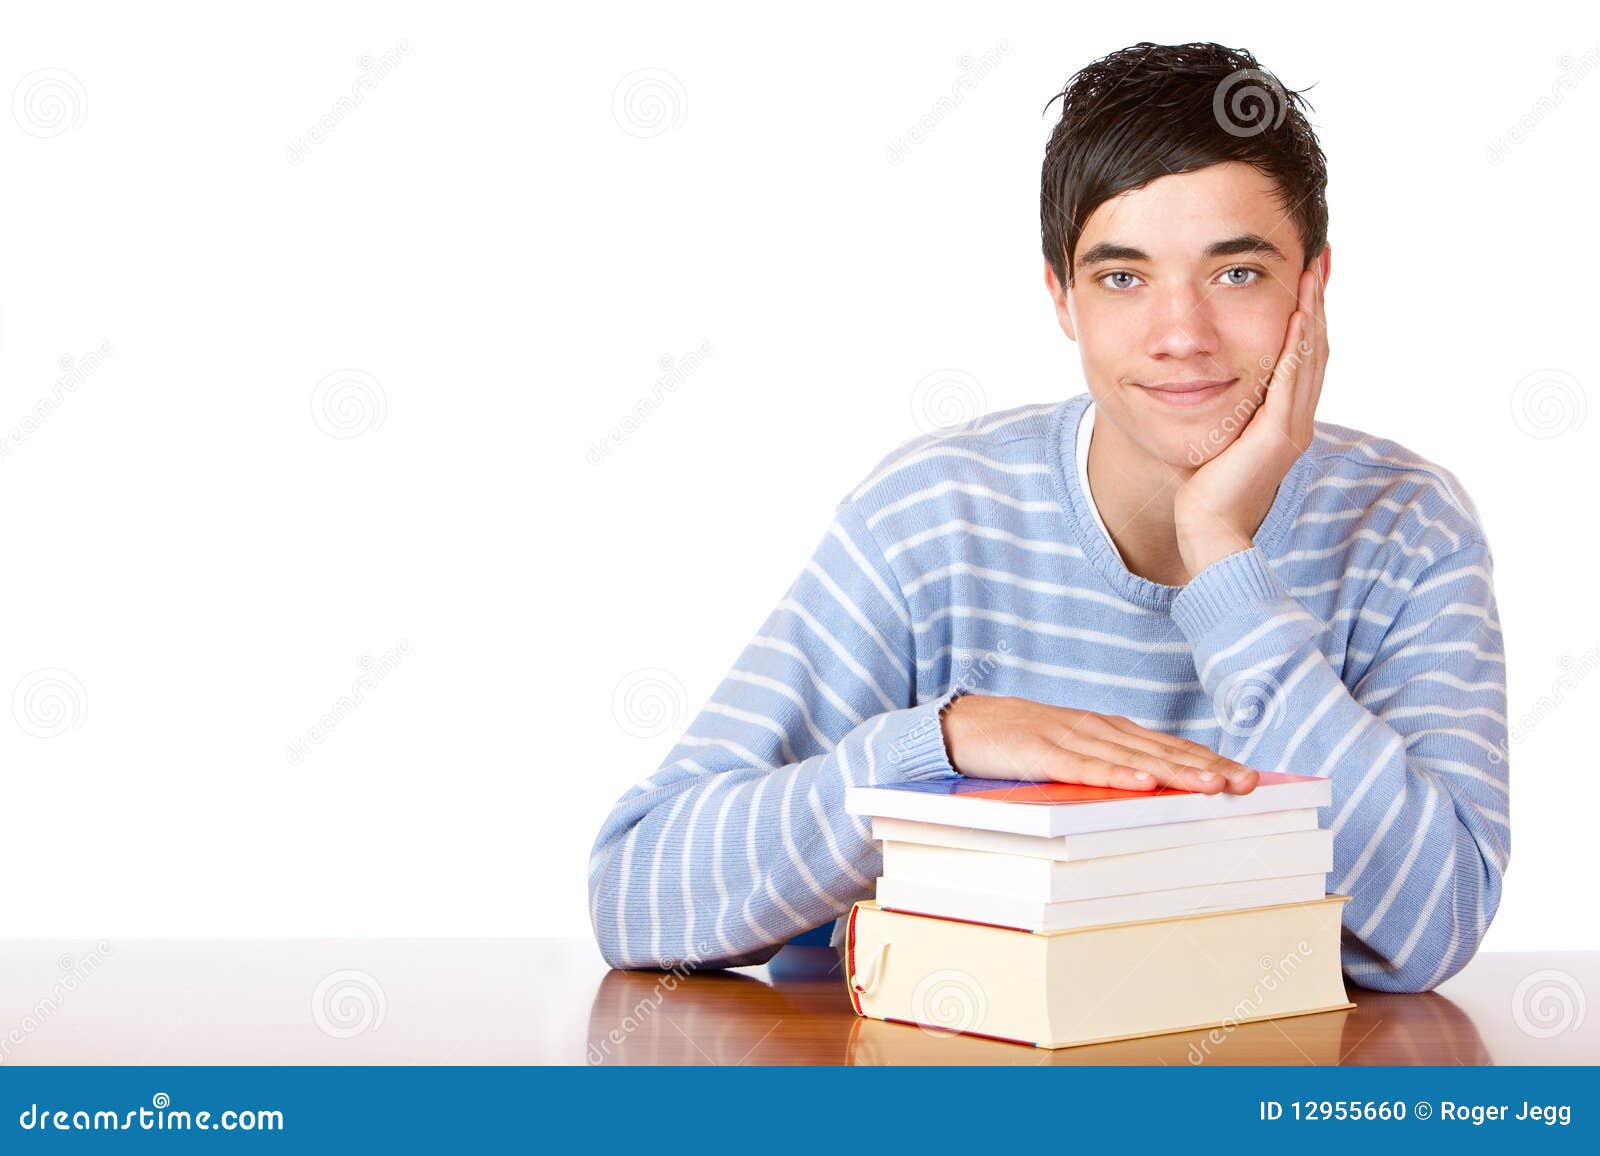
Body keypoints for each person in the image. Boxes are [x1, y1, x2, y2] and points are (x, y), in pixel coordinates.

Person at [588, 41, 1507, 993]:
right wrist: (936, 747)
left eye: (1236, 274)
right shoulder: (936, 517)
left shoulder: (1408, 527)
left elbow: (1432, 926)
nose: (1181, 334)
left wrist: (1223, 563)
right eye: (1123, 277)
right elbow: (633, 889)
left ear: (1311, 289)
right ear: (1061, 298)